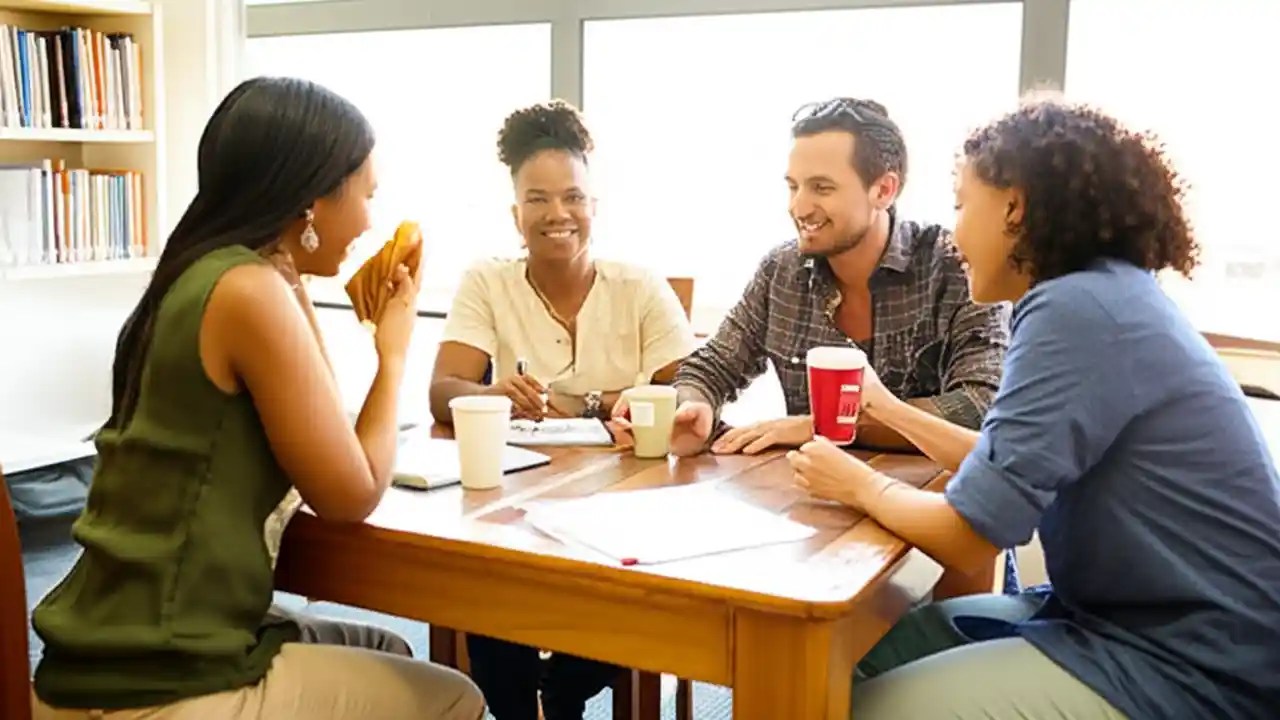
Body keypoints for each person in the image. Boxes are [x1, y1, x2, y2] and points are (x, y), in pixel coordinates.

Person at [788, 95, 1280, 719]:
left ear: (1014, 207)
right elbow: (1009, 466)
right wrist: (889, 411)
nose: (955, 233)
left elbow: (970, 537)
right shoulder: (1100, 295)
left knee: (853, 705)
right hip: (1116, 621)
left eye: (963, 205)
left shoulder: (1076, 311)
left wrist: (858, 484)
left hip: (1190, 662)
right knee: (865, 654)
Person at [29, 77, 485, 720]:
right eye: (365, 195)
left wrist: (298, 287)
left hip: (115, 643)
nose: (368, 221)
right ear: (311, 200)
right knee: (455, 700)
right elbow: (350, 493)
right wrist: (393, 355)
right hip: (153, 678)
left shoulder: (212, 271)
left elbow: (324, 431)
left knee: (388, 649)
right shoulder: (246, 292)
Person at [428, 100, 694, 719]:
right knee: (490, 591)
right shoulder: (487, 281)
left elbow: (685, 391)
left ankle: (563, 696)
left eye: (573, 197)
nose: (557, 215)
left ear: (594, 206)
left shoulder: (639, 286)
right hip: (517, 504)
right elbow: (444, 388)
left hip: (625, 510)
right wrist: (488, 396)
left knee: (615, 615)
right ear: (515, 212)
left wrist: (613, 404)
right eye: (537, 199)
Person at [663, 97, 1009, 458]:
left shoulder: (955, 266)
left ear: (884, 190)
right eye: (793, 186)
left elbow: (978, 407)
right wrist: (695, 407)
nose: (798, 207)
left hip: (931, 499)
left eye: (821, 188)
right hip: (812, 500)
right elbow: (709, 368)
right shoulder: (782, 271)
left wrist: (823, 426)